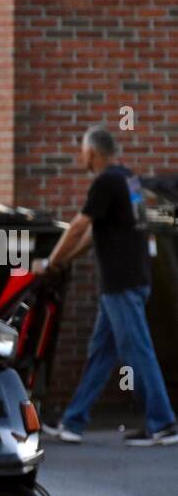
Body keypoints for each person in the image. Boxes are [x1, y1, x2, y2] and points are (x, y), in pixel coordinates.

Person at [37, 126, 178, 446]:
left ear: (92, 153)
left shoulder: (105, 182)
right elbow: (91, 235)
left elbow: (78, 226)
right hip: (132, 279)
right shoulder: (128, 179)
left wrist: (49, 262)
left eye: (83, 152)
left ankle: (163, 423)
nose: (81, 157)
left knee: (139, 351)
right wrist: (65, 260)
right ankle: (74, 422)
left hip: (121, 283)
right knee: (101, 352)